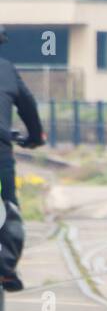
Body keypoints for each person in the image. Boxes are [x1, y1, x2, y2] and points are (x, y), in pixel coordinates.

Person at [0, 24, 45, 293]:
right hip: (1, 148)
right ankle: (5, 270)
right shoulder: (6, 69)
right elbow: (28, 105)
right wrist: (36, 136)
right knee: (8, 208)